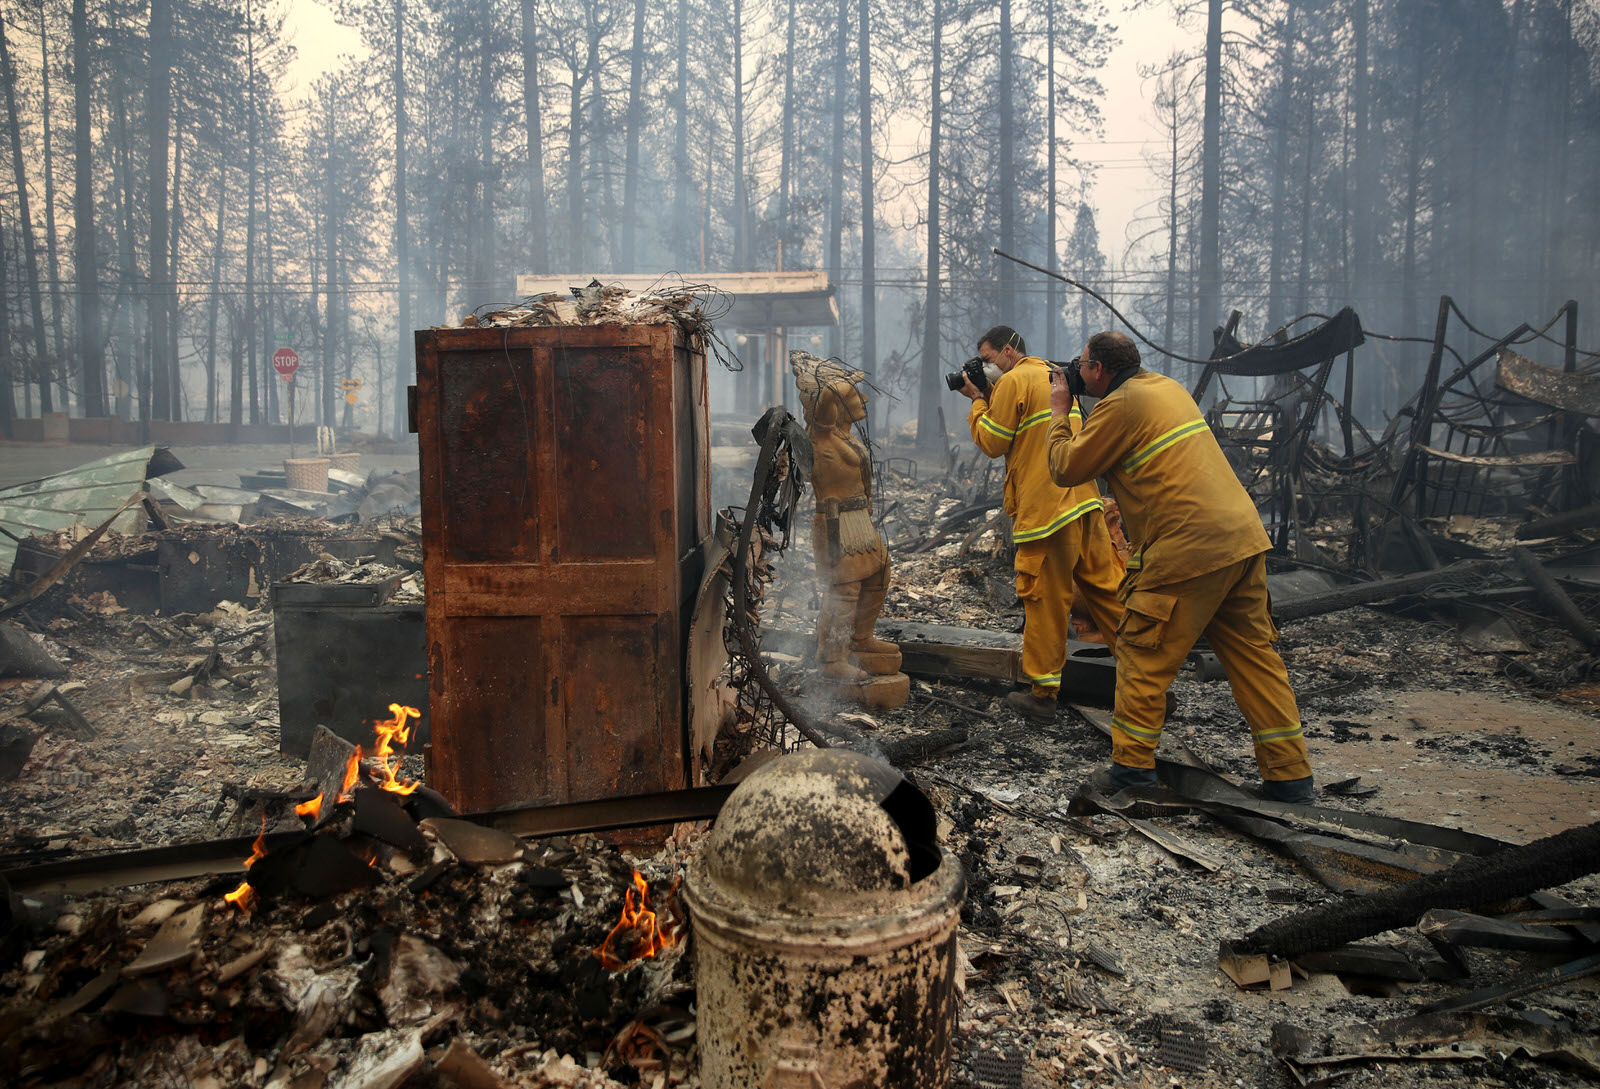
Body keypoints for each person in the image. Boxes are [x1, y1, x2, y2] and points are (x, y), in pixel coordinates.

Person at [1045, 331, 1314, 803]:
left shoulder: (1119, 405)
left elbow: (1066, 468)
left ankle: (1131, 773)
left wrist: (1060, 410)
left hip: (1188, 546)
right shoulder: (1166, 388)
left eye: (1081, 364)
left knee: (1142, 654)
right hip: (1241, 539)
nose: (1077, 370)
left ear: (1098, 371)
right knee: (1254, 657)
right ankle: (1290, 777)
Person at [958, 325, 1125, 723]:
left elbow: (993, 442)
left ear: (1009, 350)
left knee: (1045, 602)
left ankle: (1042, 695)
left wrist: (978, 400)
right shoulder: (1054, 374)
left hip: (1047, 515)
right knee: (1108, 594)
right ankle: (1149, 679)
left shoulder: (1014, 379)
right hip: (1085, 504)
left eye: (987, 358)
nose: (985, 366)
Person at [791, 352, 901, 682]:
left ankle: (860, 639)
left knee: (879, 574)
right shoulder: (820, 433)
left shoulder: (844, 434)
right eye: (855, 394)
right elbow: (822, 402)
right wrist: (831, 378)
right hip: (836, 522)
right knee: (844, 589)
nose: (863, 397)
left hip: (858, 519)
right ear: (837, 401)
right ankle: (832, 659)